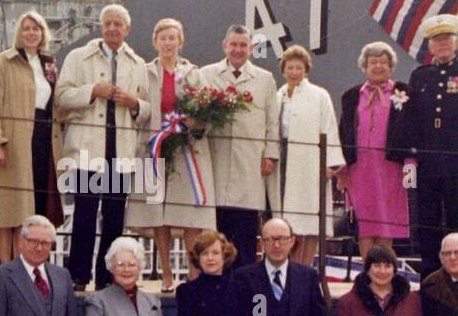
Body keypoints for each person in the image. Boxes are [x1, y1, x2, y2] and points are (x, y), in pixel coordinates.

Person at [55, 3, 150, 289]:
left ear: (127, 29)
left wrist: (133, 104)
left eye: (117, 24)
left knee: (114, 219)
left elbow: (146, 110)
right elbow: (61, 97)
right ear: (101, 26)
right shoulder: (78, 57)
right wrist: (92, 91)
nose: (111, 28)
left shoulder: (137, 64)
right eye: (107, 23)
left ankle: (107, 280)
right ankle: (78, 277)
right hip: (87, 150)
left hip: (120, 152)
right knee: (84, 215)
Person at [125, 18, 216, 292]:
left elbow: (205, 111)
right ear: (155, 42)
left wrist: (193, 121)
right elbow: (136, 107)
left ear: (180, 42)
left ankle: (193, 274)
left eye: (172, 38)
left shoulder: (194, 74)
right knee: (158, 214)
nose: (167, 43)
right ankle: (166, 274)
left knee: (190, 216)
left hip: (186, 150)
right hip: (153, 147)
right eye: (162, 38)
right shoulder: (142, 72)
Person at [407, 14, 458, 278]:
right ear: (430, 47)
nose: (442, 45)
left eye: (447, 40)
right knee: (427, 222)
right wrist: (410, 158)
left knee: (457, 222)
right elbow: (411, 120)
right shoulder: (420, 76)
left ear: (456, 44)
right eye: (437, 41)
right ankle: (430, 277)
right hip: (427, 160)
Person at [0, 10, 63, 264]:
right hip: (13, 139)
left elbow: (56, 102)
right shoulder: (3, 61)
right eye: (26, 28)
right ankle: (8, 266)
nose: (31, 33)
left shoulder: (48, 63)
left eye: (36, 29)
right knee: (8, 209)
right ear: (19, 33)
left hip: (41, 137)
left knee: (33, 204)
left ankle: (28, 265)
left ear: (42, 33)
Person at [201, 24, 279, 268]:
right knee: (217, 223)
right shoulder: (206, 74)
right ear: (225, 46)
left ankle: (244, 280)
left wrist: (271, 154)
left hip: (250, 161)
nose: (237, 50)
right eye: (233, 44)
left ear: (252, 49)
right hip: (216, 157)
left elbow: (272, 120)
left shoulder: (265, 79)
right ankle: (217, 277)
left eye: (243, 45)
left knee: (246, 226)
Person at [267, 44, 344, 265]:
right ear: (283, 70)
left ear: (306, 70)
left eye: (298, 67)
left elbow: (329, 127)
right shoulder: (278, 95)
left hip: (310, 165)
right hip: (284, 165)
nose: (294, 72)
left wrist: (330, 164)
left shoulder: (319, 95)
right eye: (289, 67)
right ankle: (286, 269)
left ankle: (306, 269)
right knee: (285, 220)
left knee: (309, 220)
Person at [337, 41, 415, 259]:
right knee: (364, 224)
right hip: (359, 169)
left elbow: (412, 131)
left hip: (392, 168)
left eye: (383, 62)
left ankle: (384, 271)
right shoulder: (351, 96)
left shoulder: (403, 92)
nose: (378, 66)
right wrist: (342, 167)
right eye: (373, 62)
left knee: (387, 223)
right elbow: (343, 132)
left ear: (391, 66)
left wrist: (411, 168)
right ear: (365, 66)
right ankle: (368, 273)